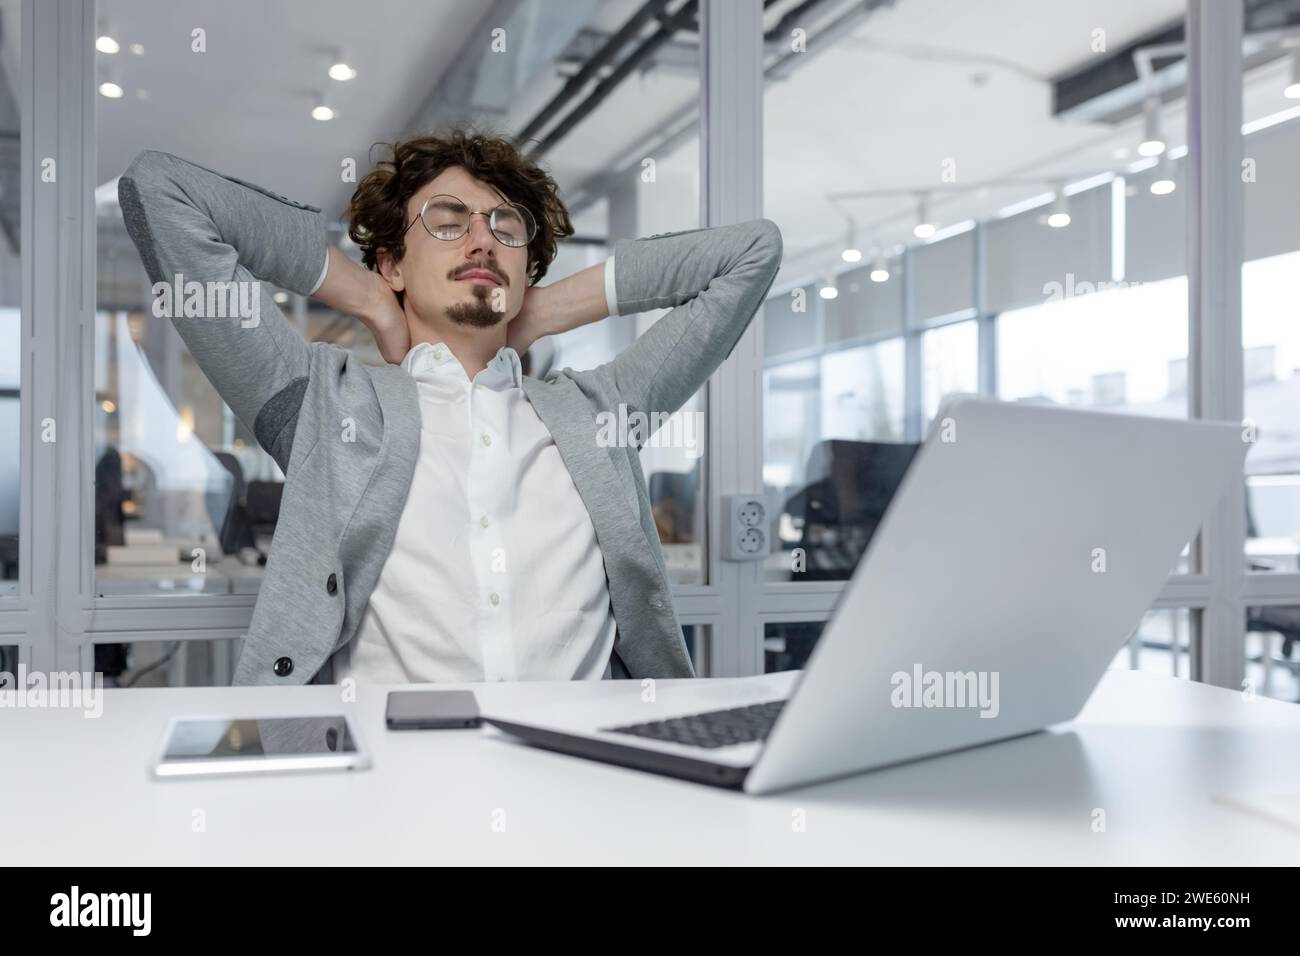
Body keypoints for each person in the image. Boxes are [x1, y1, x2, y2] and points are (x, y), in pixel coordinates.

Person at [117, 125, 782, 686]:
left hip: (587, 791)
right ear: (394, 263)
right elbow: (160, 192)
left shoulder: (599, 411)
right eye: (447, 221)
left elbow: (753, 254)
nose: (482, 239)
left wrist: (545, 308)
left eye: (505, 227)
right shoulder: (323, 404)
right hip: (391, 805)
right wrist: (367, 296)